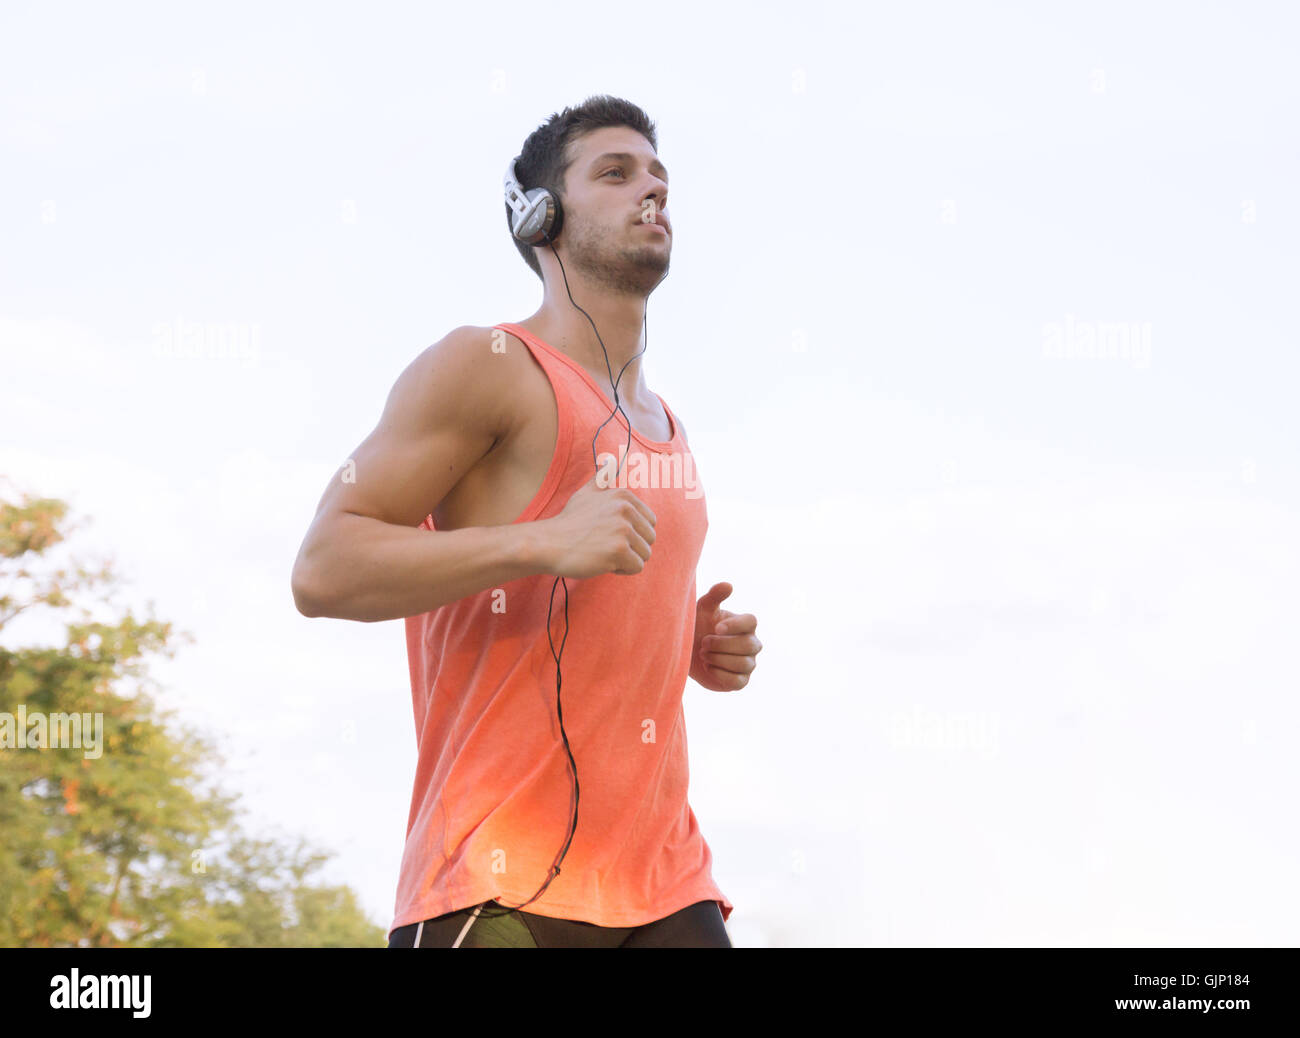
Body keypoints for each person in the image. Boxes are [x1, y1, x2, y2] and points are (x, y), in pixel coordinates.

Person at [291, 95, 762, 948]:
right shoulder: (488, 365)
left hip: (662, 882)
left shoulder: (667, 424)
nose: (651, 191)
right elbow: (323, 569)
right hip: (499, 882)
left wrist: (674, 641)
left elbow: (588, 603)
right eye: (614, 174)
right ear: (539, 217)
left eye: (659, 176)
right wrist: (544, 541)